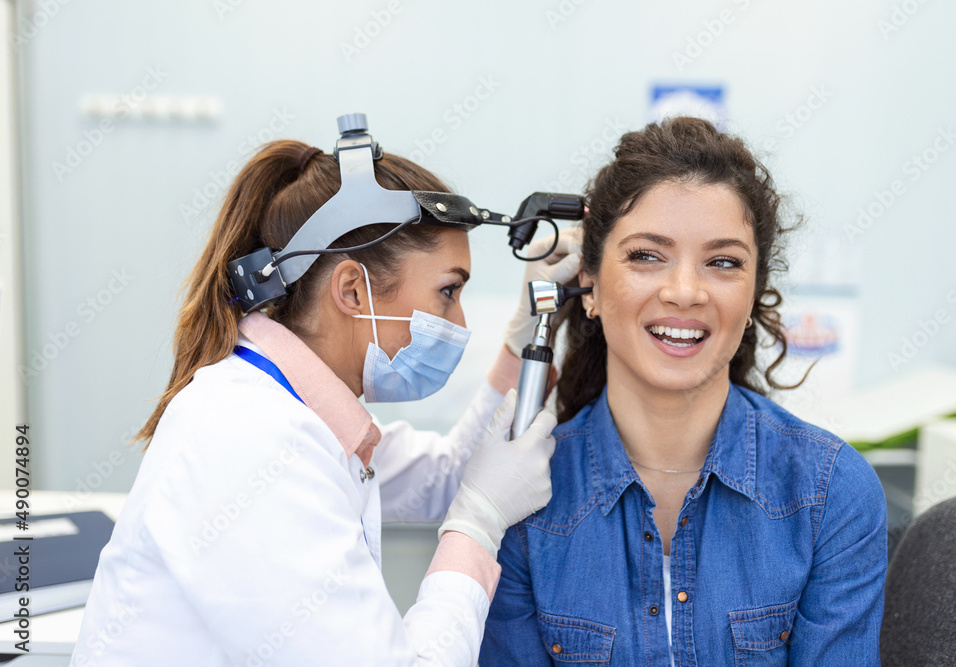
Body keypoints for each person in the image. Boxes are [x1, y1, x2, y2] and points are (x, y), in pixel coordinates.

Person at [70, 138, 581, 666]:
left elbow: (451, 473)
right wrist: (477, 523)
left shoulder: (297, 412)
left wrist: (525, 337)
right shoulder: (250, 441)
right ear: (352, 292)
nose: (460, 324)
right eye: (448, 292)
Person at [480, 117, 887, 665]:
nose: (685, 292)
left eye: (723, 262)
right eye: (647, 255)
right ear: (591, 289)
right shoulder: (523, 499)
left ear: (753, 297)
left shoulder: (830, 493)